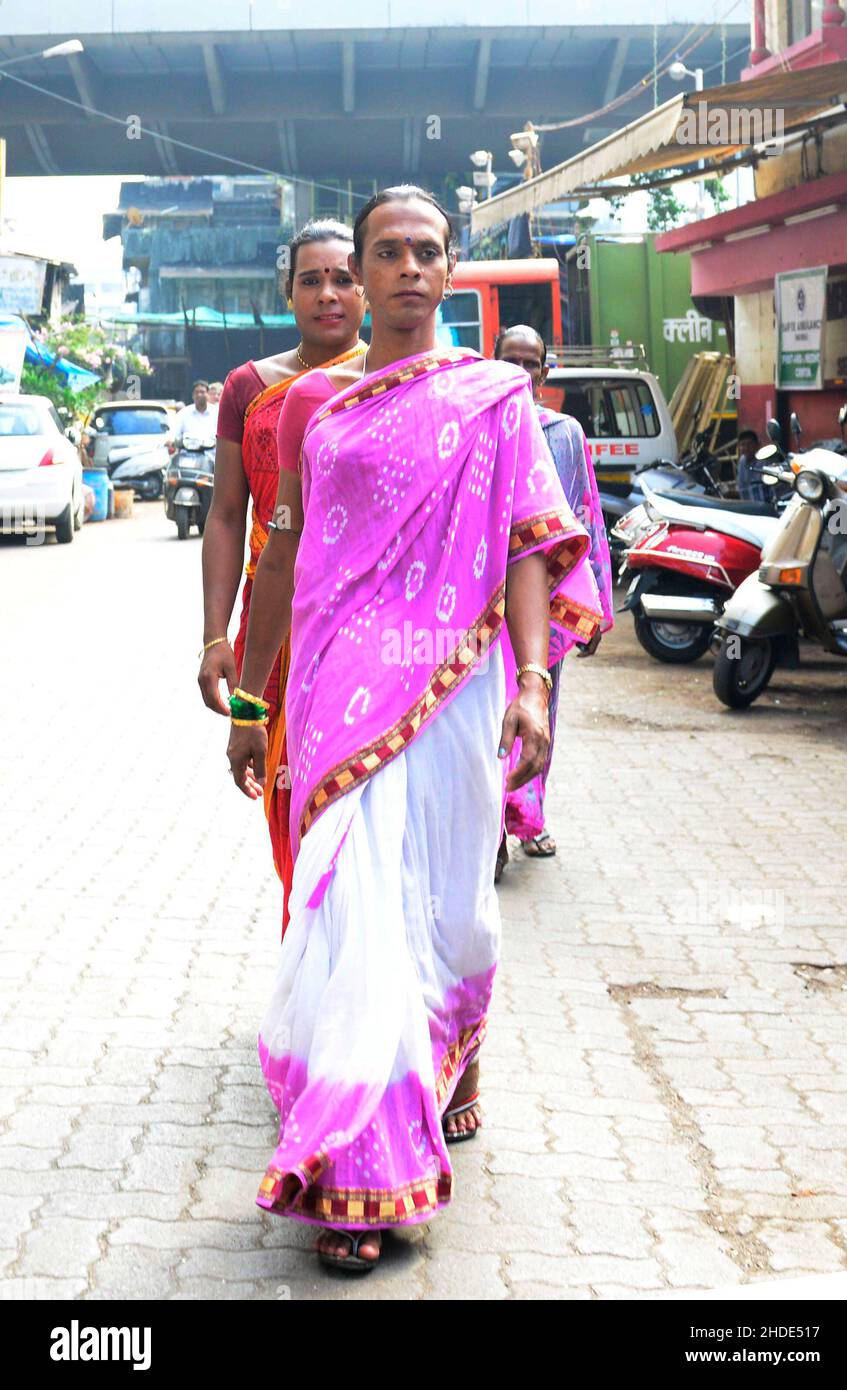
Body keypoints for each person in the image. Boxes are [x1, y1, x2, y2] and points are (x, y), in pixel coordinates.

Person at [226, 185, 601, 1273]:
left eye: (422, 251)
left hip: (454, 693)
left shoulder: (495, 400)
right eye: (383, 250)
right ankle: (355, 1169)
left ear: (449, 268)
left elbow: (531, 543)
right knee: (360, 920)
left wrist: (533, 682)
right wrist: (254, 699)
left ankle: (450, 1059)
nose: (400, 269)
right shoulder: (309, 408)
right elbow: (282, 557)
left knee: (454, 915)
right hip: (340, 698)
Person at [198, 220, 367, 934]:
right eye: (311, 279)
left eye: (343, 278)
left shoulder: (403, 378)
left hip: (367, 623)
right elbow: (228, 513)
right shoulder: (248, 388)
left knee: (362, 801)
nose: (329, 294)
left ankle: (349, 968)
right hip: (276, 622)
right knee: (288, 796)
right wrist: (214, 636)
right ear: (288, 293)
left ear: (367, 288)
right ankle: (312, 955)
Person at [493, 325, 612, 873]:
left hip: (548, 601)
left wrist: (596, 610)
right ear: (492, 363)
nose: (520, 372)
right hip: (483, 603)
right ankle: (490, 828)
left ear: (545, 371)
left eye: (530, 363)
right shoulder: (480, 427)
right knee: (485, 713)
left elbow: (586, 518)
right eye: (509, 360)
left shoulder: (566, 435)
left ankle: (529, 821)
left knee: (541, 707)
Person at [175, 380, 218, 444]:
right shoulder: (183, 413)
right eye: (196, 392)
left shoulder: (217, 412)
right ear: (193, 395)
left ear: (208, 394)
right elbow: (175, 433)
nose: (199, 395)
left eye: (202, 392)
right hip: (188, 452)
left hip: (212, 452)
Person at [736, 428, 768, 502]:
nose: (746, 448)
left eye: (749, 444)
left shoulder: (764, 460)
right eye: (743, 445)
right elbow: (741, 486)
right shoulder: (742, 461)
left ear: (758, 445)